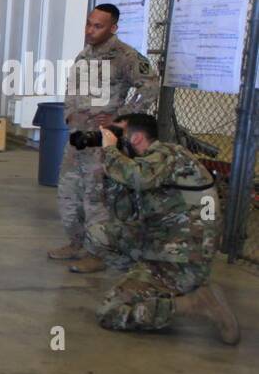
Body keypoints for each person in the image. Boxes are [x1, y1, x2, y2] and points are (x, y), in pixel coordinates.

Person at [84, 113, 239, 344]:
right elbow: (124, 214)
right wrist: (110, 175)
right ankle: (155, 286)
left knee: (110, 314)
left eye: (117, 134)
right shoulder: (144, 163)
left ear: (135, 138)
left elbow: (138, 178)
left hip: (184, 258)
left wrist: (110, 152)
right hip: (163, 246)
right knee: (99, 234)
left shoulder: (168, 155)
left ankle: (193, 303)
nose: (112, 139)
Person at [49, 3, 160, 272]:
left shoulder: (125, 56)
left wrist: (120, 118)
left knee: (96, 198)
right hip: (78, 138)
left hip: (103, 141)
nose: (90, 30)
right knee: (68, 192)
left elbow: (151, 85)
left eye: (97, 26)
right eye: (88, 24)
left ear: (113, 28)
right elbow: (71, 88)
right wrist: (69, 113)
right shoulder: (84, 55)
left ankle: (97, 253)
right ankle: (76, 242)